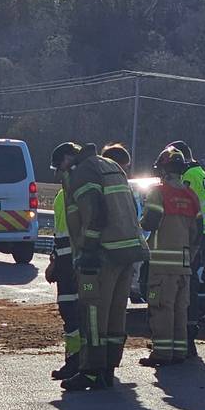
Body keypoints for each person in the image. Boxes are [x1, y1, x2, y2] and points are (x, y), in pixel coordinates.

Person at [59, 142, 149, 391]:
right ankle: (108, 368)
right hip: (128, 251)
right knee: (116, 314)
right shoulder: (110, 165)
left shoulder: (83, 173)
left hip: (103, 254)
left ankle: (90, 371)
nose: (59, 173)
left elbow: (95, 213)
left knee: (93, 314)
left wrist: (88, 249)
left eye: (59, 167)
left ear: (68, 159)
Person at [139, 147, 201, 366]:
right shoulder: (191, 195)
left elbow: (149, 222)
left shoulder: (159, 192)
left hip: (161, 265)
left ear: (163, 170)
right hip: (184, 264)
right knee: (179, 309)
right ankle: (179, 351)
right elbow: (198, 233)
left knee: (161, 309)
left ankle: (162, 353)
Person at [167, 140, 205, 357]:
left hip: (189, 237)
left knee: (185, 288)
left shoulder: (188, 178)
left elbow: (183, 205)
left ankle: (184, 337)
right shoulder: (202, 173)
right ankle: (189, 333)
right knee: (191, 286)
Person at [46, 142, 81, 381]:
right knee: (74, 313)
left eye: (59, 167)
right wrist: (54, 261)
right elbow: (60, 235)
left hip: (72, 265)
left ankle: (76, 361)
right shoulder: (64, 195)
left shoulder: (71, 193)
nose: (58, 173)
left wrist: (57, 262)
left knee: (72, 313)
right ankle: (79, 360)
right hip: (68, 263)